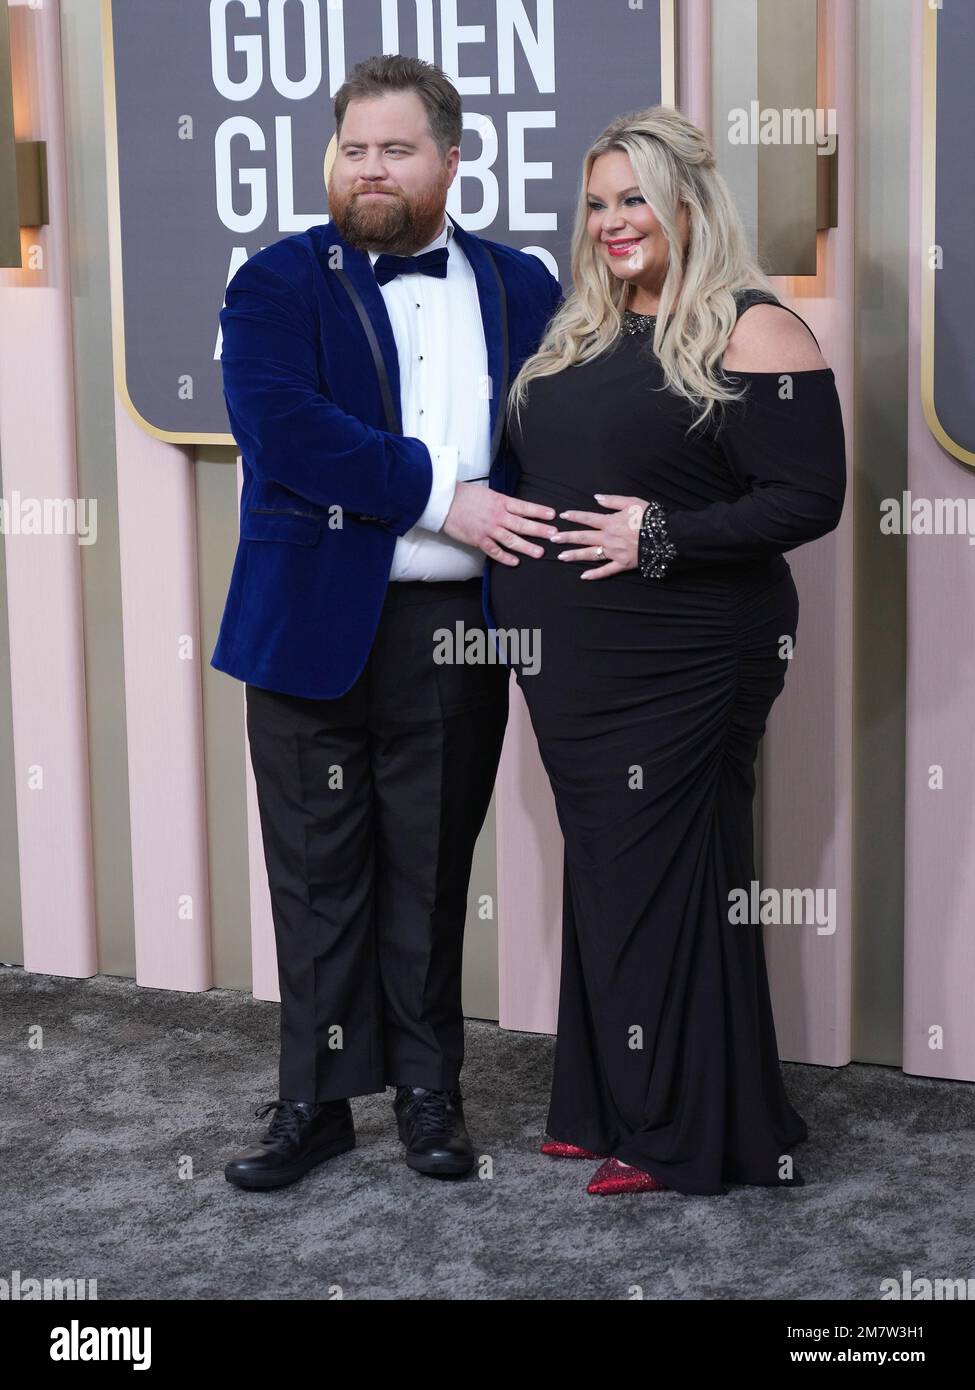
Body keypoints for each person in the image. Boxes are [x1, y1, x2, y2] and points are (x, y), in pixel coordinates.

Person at [213, 55, 563, 1190]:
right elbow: (286, 429)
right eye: (354, 147)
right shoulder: (273, 280)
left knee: (428, 873)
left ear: (452, 161)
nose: (370, 168)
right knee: (315, 878)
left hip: (456, 630)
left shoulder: (523, 285)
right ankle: (312, 1103)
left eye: (397, 148)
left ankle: (429, 1095)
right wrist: (439, 492)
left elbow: (564, 435)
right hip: (308, 625)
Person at [488, 106, 846, 1196]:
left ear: (690, 203)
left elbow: (813, 497)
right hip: (574, 663)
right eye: (596, 203)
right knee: (612, 869)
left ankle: (692, 1127)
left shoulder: (755, 327)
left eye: (634, 198)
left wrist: (663, 535)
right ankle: (603, 1099)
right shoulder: (582, 330)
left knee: (670, 877)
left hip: (688, 653)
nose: (612, 222)